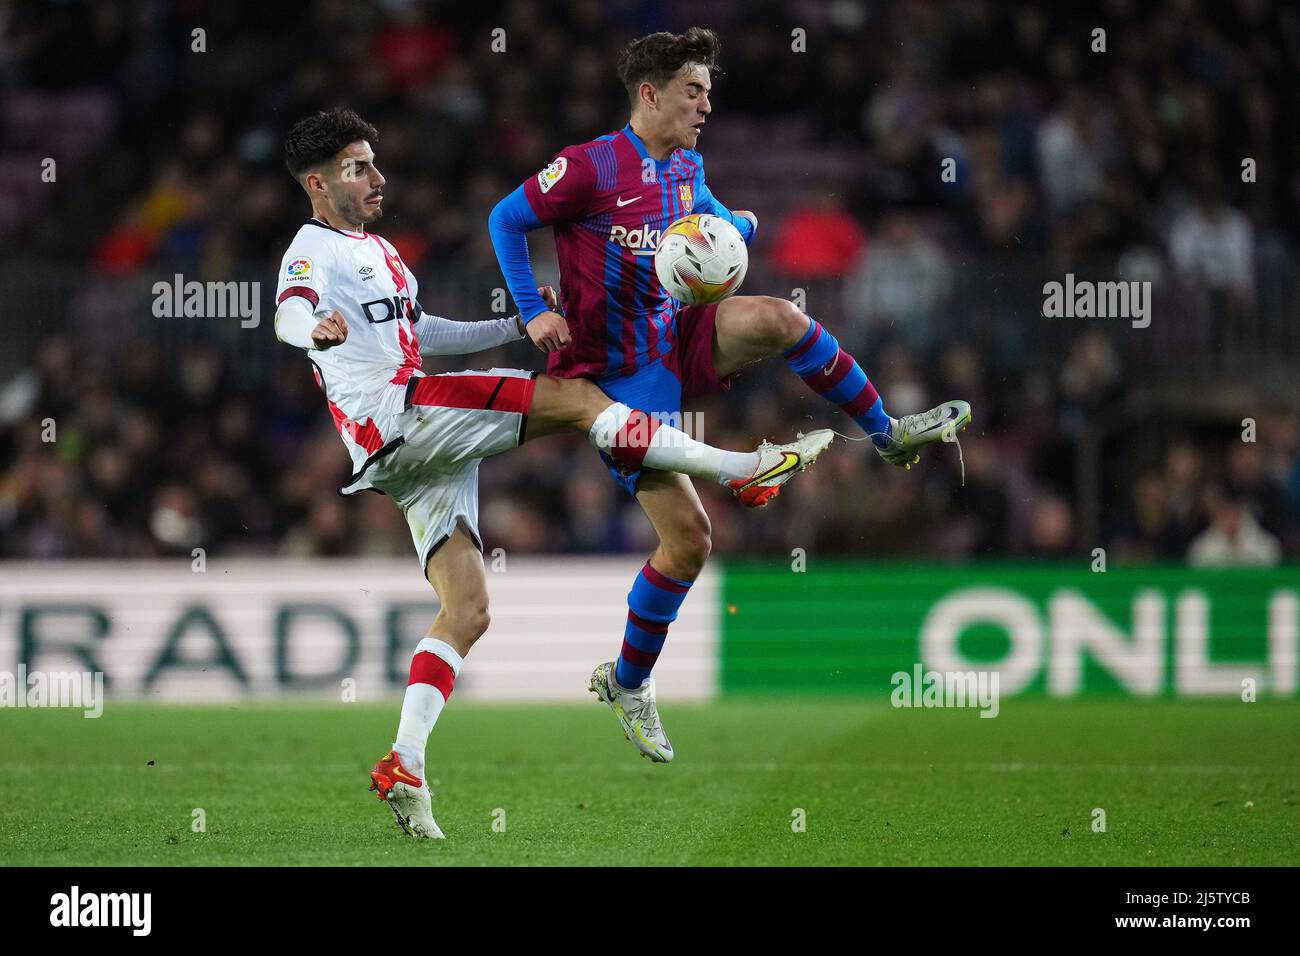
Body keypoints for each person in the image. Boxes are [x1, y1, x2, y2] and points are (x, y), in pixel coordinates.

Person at [275, 108, 833, 838]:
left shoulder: (380, 250)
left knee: (468, 610)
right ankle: (743, 468)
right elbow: (288, 309)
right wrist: (309, 330)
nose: (378, 178)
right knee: (575, 399)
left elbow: (421, 332)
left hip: (410, 455)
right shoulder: (311, 249)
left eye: (376, 162)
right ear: (318, 183)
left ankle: (404, 762)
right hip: (399, 413)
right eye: (358, 168)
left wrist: (514, 322)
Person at [489, 27, 970, 763]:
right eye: (693, 91)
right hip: (612, 378)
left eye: (709, 91)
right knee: (690, 543)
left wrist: (728, 232)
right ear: (650, 94)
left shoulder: (686, 166)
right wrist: (532, 310)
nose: (706, 104)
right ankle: (629, 681)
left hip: (674, 332)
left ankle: (886, 433)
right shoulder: (588, 168)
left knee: (781, 317)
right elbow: (506, 218)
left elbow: (723, 215)